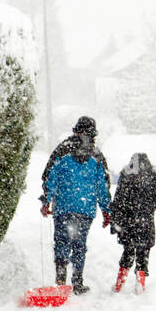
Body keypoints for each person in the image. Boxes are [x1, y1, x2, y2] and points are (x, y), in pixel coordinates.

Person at [39, 116, 112, 293]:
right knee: (79, 245)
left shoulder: (62, 151)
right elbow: (102, 185)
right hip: (85, 209)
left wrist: (46, 201)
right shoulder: (97, 156)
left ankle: (61, 281)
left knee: (62, 242)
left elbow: (50, 176)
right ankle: (77, 282)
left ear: (76, 130)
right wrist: (106, 210)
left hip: (63, 206)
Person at [109, 152, 156, 293]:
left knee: (128, 252)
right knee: (143, 254)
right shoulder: (152, 178)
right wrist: (147, 208)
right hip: (145, 223)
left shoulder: (125, 177)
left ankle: (119, 284)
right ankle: (140, 284)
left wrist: (117, 220)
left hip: (128, 224)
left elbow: (118, 201)